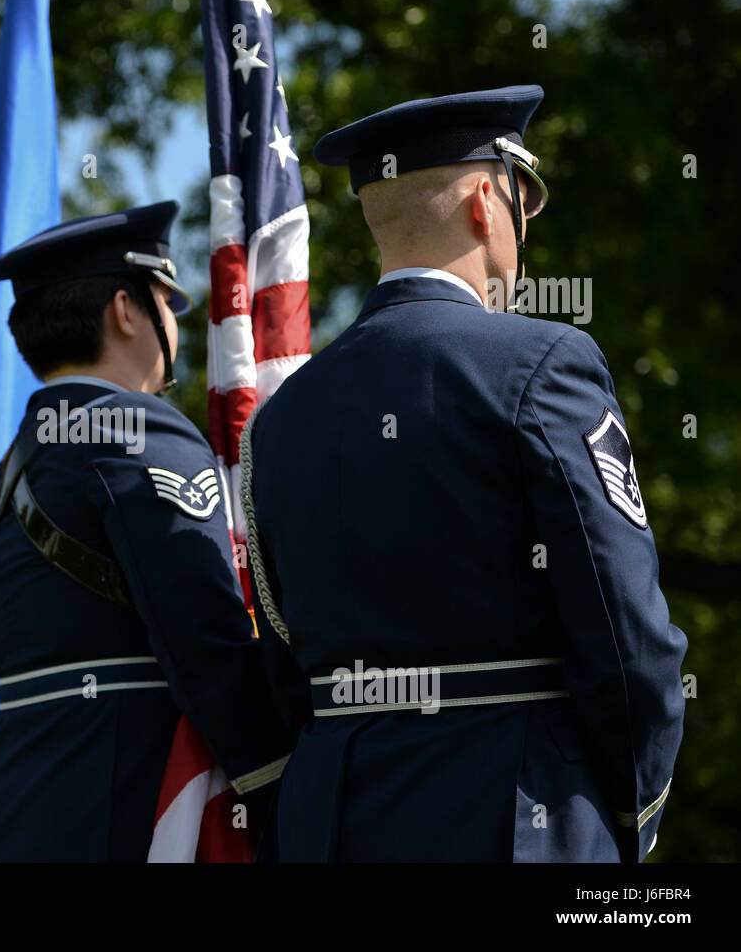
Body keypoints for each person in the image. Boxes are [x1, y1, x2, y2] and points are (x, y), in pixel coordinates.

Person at [241, 85, 687, 861]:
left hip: (333, 817)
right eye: (525, 204)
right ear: (486, 202)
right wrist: (632, 809)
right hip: (515, 809)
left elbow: (283, 654)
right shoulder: (545, 362)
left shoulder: (280, 418)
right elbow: (626, 632)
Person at [0, 201, 296, 861]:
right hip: (130, 818)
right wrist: (282, 790)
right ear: (124, 309)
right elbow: (208, 642)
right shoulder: (139, 432)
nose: (174, 319)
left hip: (17, 818)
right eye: (167, 301)